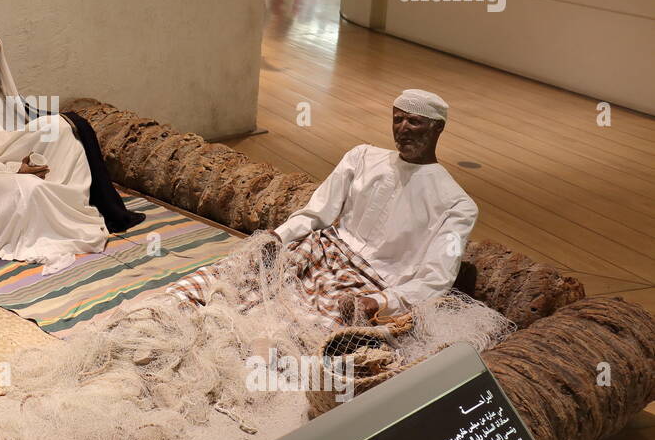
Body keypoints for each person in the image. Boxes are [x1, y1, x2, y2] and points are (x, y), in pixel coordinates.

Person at [168, 89, 477, 325]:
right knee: (233, 280)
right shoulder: (362, 157)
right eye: (398, 119)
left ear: (437, 129)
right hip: (321, 250)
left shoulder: (456, 205)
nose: (403, 129)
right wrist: (280, 236)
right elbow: (317, 212)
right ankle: (176, 312)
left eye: (415, 121)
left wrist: (381, 303)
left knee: (294, 327)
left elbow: (436, 280)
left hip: (369, 283)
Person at [0, 29, 144, 281]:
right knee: (29, 189)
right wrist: (15, 169)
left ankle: (69, 203)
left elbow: (14, 132)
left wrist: (19, 161)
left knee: (61, 128)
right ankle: (48, 202)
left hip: (6, 162)